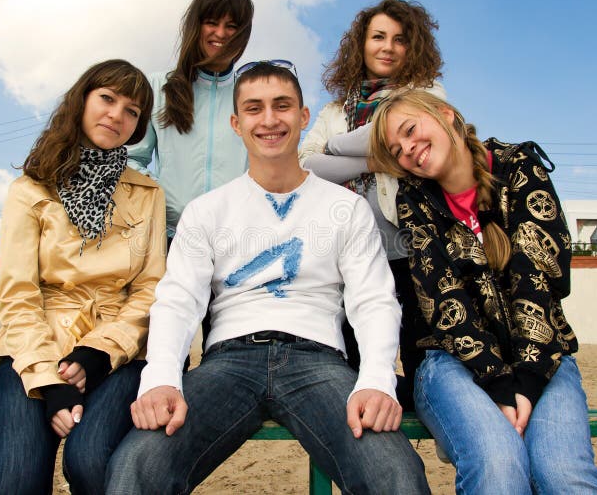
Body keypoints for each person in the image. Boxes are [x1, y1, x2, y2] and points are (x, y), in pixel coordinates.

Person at [106, 62, 430, 494]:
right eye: (254, 108)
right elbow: (178, 299)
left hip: (319, 362)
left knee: (395, 472)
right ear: (237, 123)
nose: (270, 119)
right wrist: (161, 378)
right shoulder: (207, 210)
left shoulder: (345, 208)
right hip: (228, 362)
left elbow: (373, 300)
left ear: (303, 116)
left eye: (282, 105)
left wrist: (374, 381)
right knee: (136, 464)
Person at [369, 88, 597, 494]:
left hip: (543, 358)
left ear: (446, 115)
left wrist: (527, 382)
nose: (409, 149)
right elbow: (444, 298)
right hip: (453, 362)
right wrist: (498, 384)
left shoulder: (519, 167)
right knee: (499, 468)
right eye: (397, 150)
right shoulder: (414, 200)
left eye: (411, 131)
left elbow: (541, 275)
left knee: (563, 476)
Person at [0, 59, 166, 494]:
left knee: (92, 465)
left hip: (118, 355)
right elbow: (18, 295)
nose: (117, 115)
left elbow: (150, 287)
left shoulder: (148, 193)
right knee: (13, 480)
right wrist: (50, 382)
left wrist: (97, 354)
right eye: (107, 98)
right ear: (81, 100)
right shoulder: (30, 188)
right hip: (33, 348)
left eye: (132, 111)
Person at [298, 0, 445, 398]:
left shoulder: (427, 93)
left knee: (422, 362)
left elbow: (379, 135)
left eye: (399, 39)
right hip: (348, 253)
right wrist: (378, 158)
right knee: (353, 365)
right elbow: (306, 165)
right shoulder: (334, 109)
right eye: (378, 36)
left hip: (410, 249)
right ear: (361, 44)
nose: (388, 47)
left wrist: (337, 149)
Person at [128, 0, 253, 239]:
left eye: (231, 26)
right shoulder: (158, 86)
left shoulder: (252, 95)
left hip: (236, 240)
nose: (221, 33)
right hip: (171, 238)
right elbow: (130, 158)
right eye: (212, 22)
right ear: (195, 26)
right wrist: (161, 198)